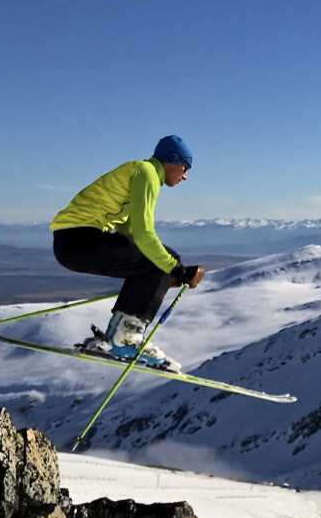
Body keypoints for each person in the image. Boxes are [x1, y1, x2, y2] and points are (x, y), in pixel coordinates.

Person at [49, 135, 205, 373]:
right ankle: (126, 338)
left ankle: (117, 336)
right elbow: (144, 235)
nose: (185, 176)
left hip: (70, 242)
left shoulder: (139, 171)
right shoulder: (147, 173)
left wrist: (161, 279)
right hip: (80, 240)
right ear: (172, 160)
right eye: (185, 168)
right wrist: (177, 270)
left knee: (157, 261)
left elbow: (128, 232)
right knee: (163, 259)